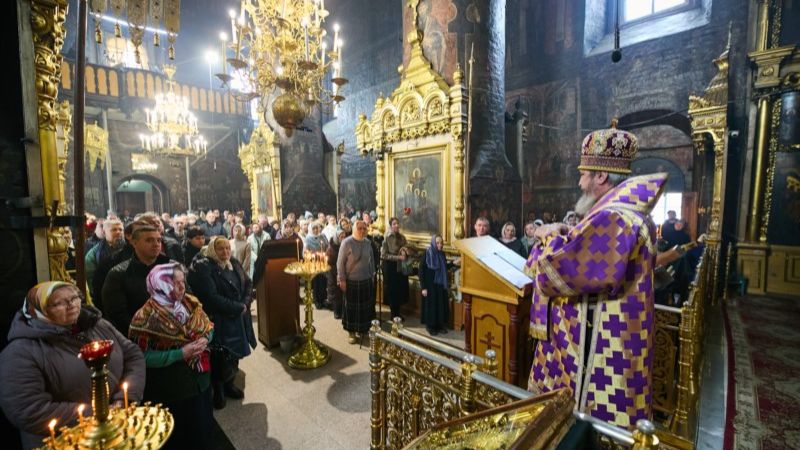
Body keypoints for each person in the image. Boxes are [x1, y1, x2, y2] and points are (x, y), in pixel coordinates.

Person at [524, 121, 666, 429]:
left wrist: (547, 235)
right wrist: (567, 235)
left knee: (597, 431)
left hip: (605, 347)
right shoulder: (628, 213)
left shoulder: (615, 218)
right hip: (612, 336)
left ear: (601, 176)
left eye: (583, 174)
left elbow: (558, 270)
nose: (579, 183)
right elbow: (585, 253)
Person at [0, 282, 145, 449]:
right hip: (67, 442)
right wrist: (99, 413)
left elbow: (133, 355)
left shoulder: (97, 325)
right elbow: (28, 409)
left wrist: (124, 400)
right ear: (37, 311)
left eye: (74, 298)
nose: (71, 305)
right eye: (58, 303)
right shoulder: (20, 352)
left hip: (117, 430)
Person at [128, 264, 215, 450]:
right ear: (160, 285)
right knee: (180, 437)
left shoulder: (190, 302)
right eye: (175, 283)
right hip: (172, 388)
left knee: (203, 429)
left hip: (201, 379)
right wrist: (180, 353)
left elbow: (208, 326)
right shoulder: (144, 317)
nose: (182, 287)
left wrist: (205, 340)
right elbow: (142, 356)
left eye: (182, 281)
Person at [188, 236, 255, 409]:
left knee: (235, 353)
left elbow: (247, 282)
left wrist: (245, 304)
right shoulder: (204, 267)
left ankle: (229, 384)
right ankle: (218, 388)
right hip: (219, 319)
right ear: (212, 250)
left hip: (237, 316)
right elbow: (211, 297)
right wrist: (238, 307)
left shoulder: (233, 262)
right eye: (221, 249)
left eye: (227, 248)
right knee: (220, 356)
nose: (225, 252)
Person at [102, 225, 172, 335]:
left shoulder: (172, 268)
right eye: (149, 240)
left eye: (159, 240)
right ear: (134, 243)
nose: (156, 244)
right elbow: (118, 315)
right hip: (138, 337)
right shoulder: (118, 274)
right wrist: (149, 334)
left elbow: (187, 299)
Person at [337, 219, 376, 344]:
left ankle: (362, 328)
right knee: (351, 309)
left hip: (366, 279)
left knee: (365, 308)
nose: (362, 230)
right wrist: (342, 279)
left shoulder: (368, 242)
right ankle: (351, 332)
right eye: (359, 228)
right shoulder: (346, 242)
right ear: (354, 229)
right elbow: (340, 263)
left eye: (364, 228)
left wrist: (372, 274)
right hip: (351, 281)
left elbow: (371, 260)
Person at [85, 218, 125, 299]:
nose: (118, 232)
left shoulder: (131, 249)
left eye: (120, 229)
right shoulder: (93, 254)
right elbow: (91, 281)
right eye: (114, 230)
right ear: (104, 232)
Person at [420, 235, 450, 336]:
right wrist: (423, 287)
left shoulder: (442, 254)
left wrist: (453, 263)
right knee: (431, 306)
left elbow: (445, 267)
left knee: (439, 304)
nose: (440, 245)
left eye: (441, 243)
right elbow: (421, 270)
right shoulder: (427, 253)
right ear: (433, 243)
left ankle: (439, 325)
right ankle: (431, 326)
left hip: (440, 284)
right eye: (437, 243)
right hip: (430, 285)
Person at [381, 217, 409, 319]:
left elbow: (406, 247)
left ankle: (398, 312)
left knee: (400, 290)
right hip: (390, 267)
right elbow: (384, 255)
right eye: (394, 224)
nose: (396, 225)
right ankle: (393, 314)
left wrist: (405, 251)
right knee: (392, 291)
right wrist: (398, 257)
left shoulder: (402, 237)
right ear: (390, 226)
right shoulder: (387, 238)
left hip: (400, 267)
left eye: (397, 223)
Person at [304, 222, 329, 309]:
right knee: (316, 282)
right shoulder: (308, 239)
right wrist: (311, 255)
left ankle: (323, 299)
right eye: (313, 228)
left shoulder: (322, 236)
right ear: (311, 229)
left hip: (322, 261)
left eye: (316, 228)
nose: (315, 230)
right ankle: (317, 300)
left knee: (323, 281)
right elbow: (306, 251)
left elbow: (327, 246)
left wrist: (325, 253)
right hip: (313, 262)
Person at [326, 227, 348, 320]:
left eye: (344, 236)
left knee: (344, 292)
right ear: (336, 237)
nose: (342, 238)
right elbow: (329, 261)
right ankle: (336, 311)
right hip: (334, 273)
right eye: (340, 236)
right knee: (336, 293)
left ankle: (343, 311)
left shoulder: (347, 245)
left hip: (345, 272)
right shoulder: (331, 247)